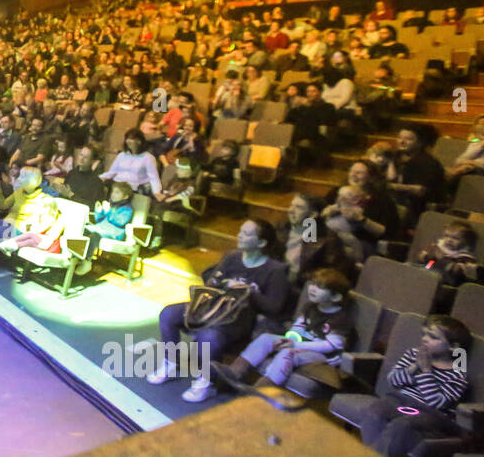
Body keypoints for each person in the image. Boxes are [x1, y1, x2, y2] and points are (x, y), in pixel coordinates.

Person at [150, 220, 290, 402]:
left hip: (238, 318)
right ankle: (170, 363)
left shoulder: (275, 270)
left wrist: (250, 291)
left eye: (247, 233)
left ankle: (206, 381)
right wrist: (224, 284)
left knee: (208, 337)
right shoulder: (232, 257)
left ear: (262, 243)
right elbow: (211, 283)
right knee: (168, 313)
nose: (240, 235)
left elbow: (274, 307)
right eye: (241, 231)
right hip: (212, 307)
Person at [213, 268, 354, 389]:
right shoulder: (310, 307)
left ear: (336, 297)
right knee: (266, 338)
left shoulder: (340, 319)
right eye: (313, 284)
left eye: (320, 287)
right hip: (301, 345)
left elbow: (331, 346)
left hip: (323, 357)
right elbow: (298, 326)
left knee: (288, 353)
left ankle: (263, 388)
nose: (312, 289)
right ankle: (236, 371)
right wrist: (290, 338)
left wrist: (295, 345)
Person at [357, 317, 472, 457]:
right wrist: (414, 367)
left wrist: (425, 370)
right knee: (374, 411)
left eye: (433, 337)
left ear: (453, 346)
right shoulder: (413, 354)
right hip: (400, 401)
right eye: (423, 334)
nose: (425, 339)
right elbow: (393, 380)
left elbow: (436, 403)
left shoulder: (457, 375)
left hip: (430, 414)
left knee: (402, 425)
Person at [391, 123, 447, 225]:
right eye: (399, 138)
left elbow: (420, 191)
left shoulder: (428, 163)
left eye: (408, 139)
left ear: (421, 142)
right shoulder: (394, 156)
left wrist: (390, 186)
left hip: (418, 209)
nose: (401, 142)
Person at [411, 219, 480, 289]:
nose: (449, 240)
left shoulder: (466, 257)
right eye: (447, 236)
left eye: (455, 238)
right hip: (427, 269)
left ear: (465, 241)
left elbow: (457, 272)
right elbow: (421, 258)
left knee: (431, 276)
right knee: (409, 266)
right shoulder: (438, 247)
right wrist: (428, 256)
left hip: (447, 279)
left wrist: (442, 258)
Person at [99, 129, 162, 195]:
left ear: (139, 141)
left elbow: (153, 178)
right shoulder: (122, 155)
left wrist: (157, 192)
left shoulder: (148, 158)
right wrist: (99, 178)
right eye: (127, 138)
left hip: (132, 188)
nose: (128, 141)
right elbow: (112, 172)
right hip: (117, 184)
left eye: (131, 139)